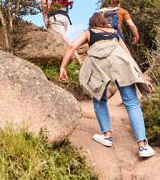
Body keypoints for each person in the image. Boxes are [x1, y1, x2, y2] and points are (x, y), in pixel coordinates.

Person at [59, 11, 155, 159]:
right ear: (104, 23)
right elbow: (127, 54)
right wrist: (140, 75)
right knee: (132, 104)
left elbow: (71, 47)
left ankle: (107, 136)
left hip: (99, 65)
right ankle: (142, 146)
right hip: (120, 63)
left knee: (99, 98)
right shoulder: (115, 33)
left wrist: (63, 67)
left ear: (92, 24)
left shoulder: (89, 33)